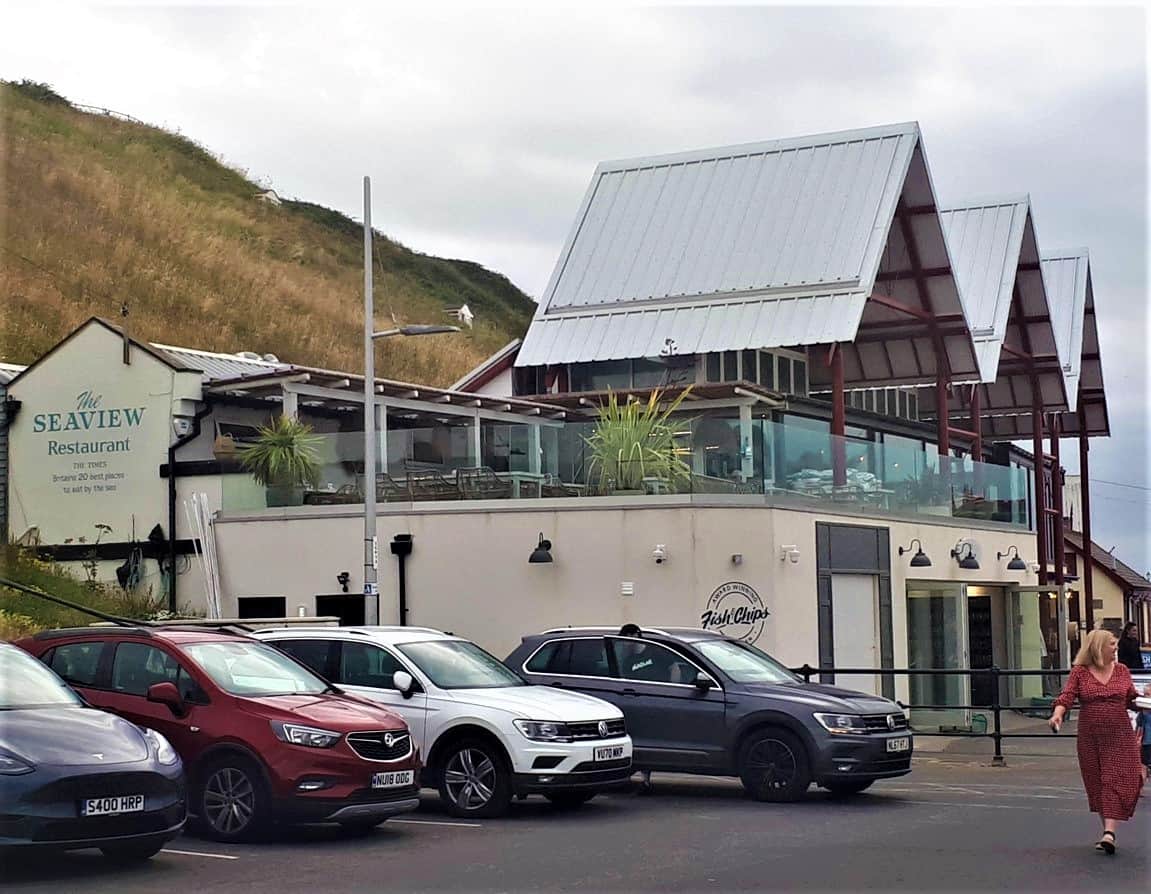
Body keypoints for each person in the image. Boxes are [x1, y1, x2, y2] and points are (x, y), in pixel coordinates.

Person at [1048, 628, 1145, 855]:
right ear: (1098, 647)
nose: (1116, 648)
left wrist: (1145, 701)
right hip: (1091, 735)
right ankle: (1108, 832)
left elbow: (1130, 698)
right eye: (1112, 644)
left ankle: (1109, 833)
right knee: (1099, 782)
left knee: (1117, 778)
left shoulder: (1122, 671)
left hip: (1120, 733)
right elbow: (1067, 696)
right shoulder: (1080, 672)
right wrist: (1058, 714)